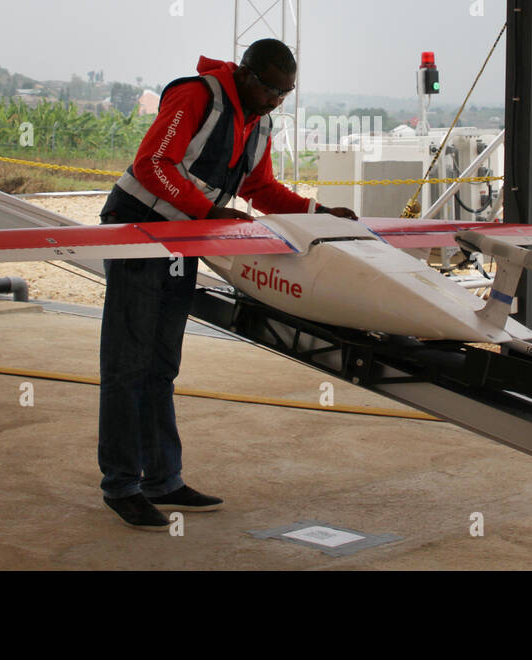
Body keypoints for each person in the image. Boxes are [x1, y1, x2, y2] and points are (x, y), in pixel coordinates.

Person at [97, 38, 357, 530]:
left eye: (285, 93)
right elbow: (153, 164)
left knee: (160, 365)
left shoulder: (258, 123)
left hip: (184, 239)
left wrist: (318, 213)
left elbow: (261, 189)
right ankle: (122, 486)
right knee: (128, 363)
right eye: (271, 89)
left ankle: (162, 480)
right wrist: (208, 211)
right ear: (245, 74)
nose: (276, 101)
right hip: (139, 234)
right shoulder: (196, 96)